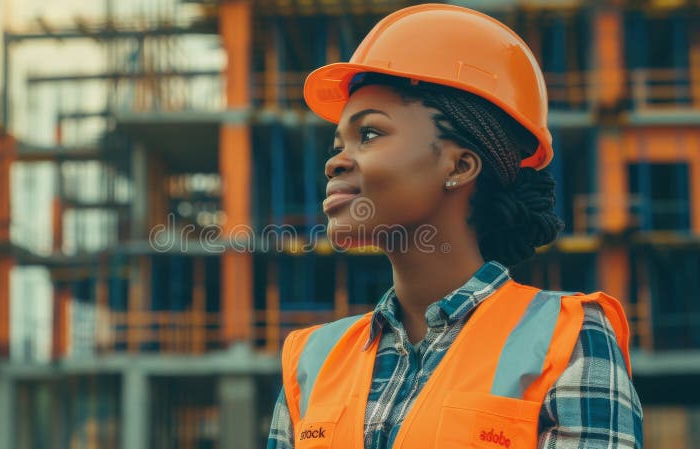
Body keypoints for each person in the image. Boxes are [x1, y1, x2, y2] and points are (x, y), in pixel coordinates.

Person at [267, 4, 643, 449]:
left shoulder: (569, 339)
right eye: (338, 143)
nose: (335, 161)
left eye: (369, 134)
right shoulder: (310, 360)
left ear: (460, 166)